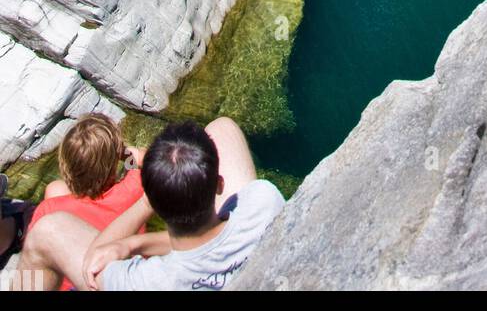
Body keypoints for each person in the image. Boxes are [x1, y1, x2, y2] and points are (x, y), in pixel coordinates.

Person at [19, 118, 284, 292]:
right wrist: (136, 243)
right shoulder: (265, 200)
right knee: (223, 128)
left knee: (46, 231)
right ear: (218, 184)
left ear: (153, 203)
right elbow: (202, 244)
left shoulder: (148, 280)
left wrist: (142, 212)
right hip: (243, 258)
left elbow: (95, 258)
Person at [11, 115, 145, 290]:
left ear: (65, 164)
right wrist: (125, 153)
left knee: (54, 189)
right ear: (113, 164)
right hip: (115, 280)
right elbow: (143, 158)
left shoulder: (50, 209)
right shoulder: (135, 187)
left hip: (66, 286)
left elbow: (35, 251)